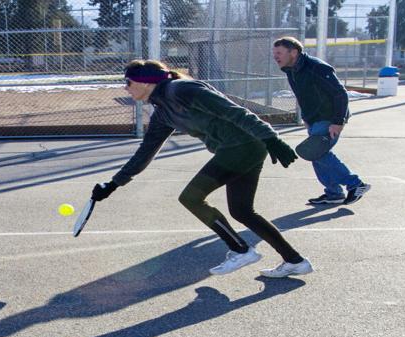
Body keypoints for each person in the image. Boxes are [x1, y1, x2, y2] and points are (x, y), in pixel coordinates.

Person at [90, 59, 313, 278]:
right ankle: (295, 261)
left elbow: (234, 112)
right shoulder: (162, 113)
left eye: (128, 82)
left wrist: (271, 138)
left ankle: (240, 250)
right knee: (242, 211)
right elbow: (145, 152)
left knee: (191, 197)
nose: (125, 88)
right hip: (241, 148)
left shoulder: (182, 90)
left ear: (146, 82)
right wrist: (114, 183)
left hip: (241, 146)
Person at [272, 36, 370, 207]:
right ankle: (334, 193)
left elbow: (340, 94)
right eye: (274, 53)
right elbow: (304, 97)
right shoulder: (291, 70)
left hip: (330, 118)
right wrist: (306, 119)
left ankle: (355, 184)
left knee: (317, 152)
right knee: (315, 154)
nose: (275, 57)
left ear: (293, 52)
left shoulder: (317, 67)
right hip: (314, 120)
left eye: (279, 53)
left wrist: (338, 121)